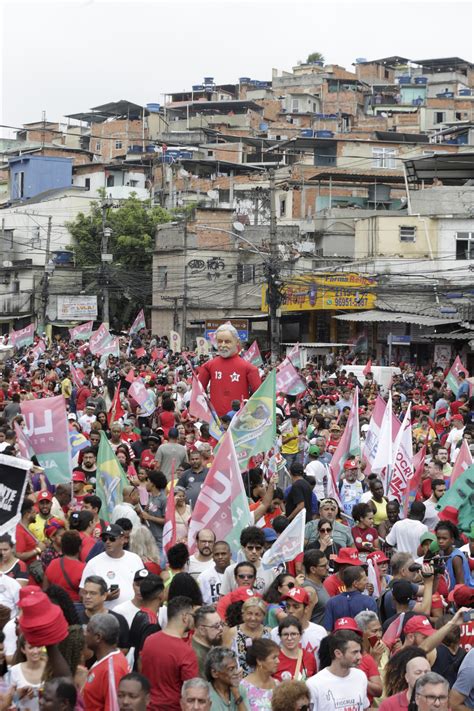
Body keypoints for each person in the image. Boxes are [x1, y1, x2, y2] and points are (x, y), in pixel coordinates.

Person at [140, 596, 198, 711]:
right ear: (185, 617)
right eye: (193, 616)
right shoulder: (186, 651)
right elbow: (191, 691)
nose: (194, 620)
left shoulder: (149, 640)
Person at [198, 324, 261, 418]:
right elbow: (198, 394)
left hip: (239, 420)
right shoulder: (208, 366)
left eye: (227, 342)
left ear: (237, 342)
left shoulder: (250, 369)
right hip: (215, 421)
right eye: (219, 341)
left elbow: (259, 398)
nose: (222, 345)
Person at [79, 523, 143, 610]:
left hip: (134, 613)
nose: (108, 542)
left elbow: (143, 585)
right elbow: (82, 593)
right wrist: (104, 597)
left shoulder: (135, 559)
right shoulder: (93, 563)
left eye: (112, 539)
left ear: (123, 539)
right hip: (108, 618)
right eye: (104, 539)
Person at [306, 630, 368, 711]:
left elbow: (364, 708)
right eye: (355, 652)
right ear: (338, 653)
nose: (360, 656)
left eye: (360, 651)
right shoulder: (314, 684)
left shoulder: (360, 676)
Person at [270, 587, 327, 670]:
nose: (290, 610)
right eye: (288, 606)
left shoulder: (319, 632)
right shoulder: (275, 632)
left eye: (296, 607)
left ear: (306, 609)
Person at [83, 613, 129, 711]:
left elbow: (114, 708)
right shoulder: (107, 661)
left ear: (98, 637)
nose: (84, 634)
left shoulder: (112, 669)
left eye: (88, 630)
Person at [80, 575, 130, 652]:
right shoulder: (75, 618)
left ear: (104, 596)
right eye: (85, 593)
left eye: (93, 593)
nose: (87, 596)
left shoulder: (118, 620)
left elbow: (125, 648)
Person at [220, 527, 276, 595]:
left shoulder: (270, 571)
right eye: (250, 548)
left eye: (258, 548)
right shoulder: (230, 570)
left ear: (262, 549)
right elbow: (223, 598)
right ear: (243, 548)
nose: (254, 551)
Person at [323, 566, 378, 631]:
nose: (367, 582)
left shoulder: (331, 602)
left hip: (339, 640)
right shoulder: (369, 601)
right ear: (355, 584)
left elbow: (327, 630)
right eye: (364, 579)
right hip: (361, 640)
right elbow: (375, 629)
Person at [228, 596, 272, 676]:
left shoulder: (269, 632)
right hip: (240, 680)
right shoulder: (233, 632)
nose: (253, 618)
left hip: (264, 679)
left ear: (263, 616)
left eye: (258, 614)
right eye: (249, 613)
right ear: (243, 614)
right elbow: (226, 659)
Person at [43, 530, 85, 602]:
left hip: (56, 607)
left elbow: (45, 589)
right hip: (74, 608)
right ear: (79, 548)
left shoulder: (52, 563)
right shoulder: (83, 568)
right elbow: (83, 596)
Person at [7, 635, 46, 709]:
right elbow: (6, 703)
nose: (35, 651)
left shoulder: (50, 669)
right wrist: (19, 694)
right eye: (31, 647)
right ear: (23, 650)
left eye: (38, 646)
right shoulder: (14, 671)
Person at [205, 646, 249, 711]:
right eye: (231, 669)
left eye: (236, 668)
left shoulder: (240, 689)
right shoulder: (204, 693)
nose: (236, 672)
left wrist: (237, 695)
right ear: (215, 673)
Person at [241, 638, 280, 710]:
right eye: (274, 658)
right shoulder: (243, 688)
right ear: (259, 660)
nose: (278, 661)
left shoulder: (278, 685)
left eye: (277, 657)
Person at [274, 616, 317, 682]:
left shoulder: (309, 658)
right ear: (280, 637)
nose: (289, 638)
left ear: (300, 635)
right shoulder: (274, 658)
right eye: (285, 634)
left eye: (293, 634)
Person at [191, 605, 225, 678]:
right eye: (216, 626)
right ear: (202, 630)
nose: (221, 629)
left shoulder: (210, 645)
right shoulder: (196, 657)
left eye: (221, 624)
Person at [302, 549, 330, 626]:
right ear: (313, 569)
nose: (328, 567)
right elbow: (305, 621)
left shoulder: (319, 583)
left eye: (327, 563)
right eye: (323, 566)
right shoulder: (309, 589)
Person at [142, 469, 167, 551]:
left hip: (159, 542)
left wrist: (149, 517)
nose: (146, 484)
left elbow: (167, 521)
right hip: (148, 539)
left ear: (153, 484)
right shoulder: (151, 497)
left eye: (148, 481)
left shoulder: (163, 499)